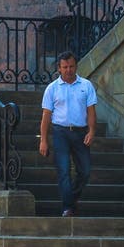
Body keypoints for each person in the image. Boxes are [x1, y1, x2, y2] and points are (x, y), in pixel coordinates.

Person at [39, 50, 97, 217]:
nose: (68, 70)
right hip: (60, 133)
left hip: (80, 132)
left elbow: (91, 111)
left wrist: (92, 130)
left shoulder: (86, 86)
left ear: (76, 66)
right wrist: (43, 140)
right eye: (65, 67)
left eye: (71, 66)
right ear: (59, 68)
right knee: (64, 170)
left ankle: (72, 198)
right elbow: (46, 116)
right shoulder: (52, 89)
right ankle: (68, 208)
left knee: (85, 171)